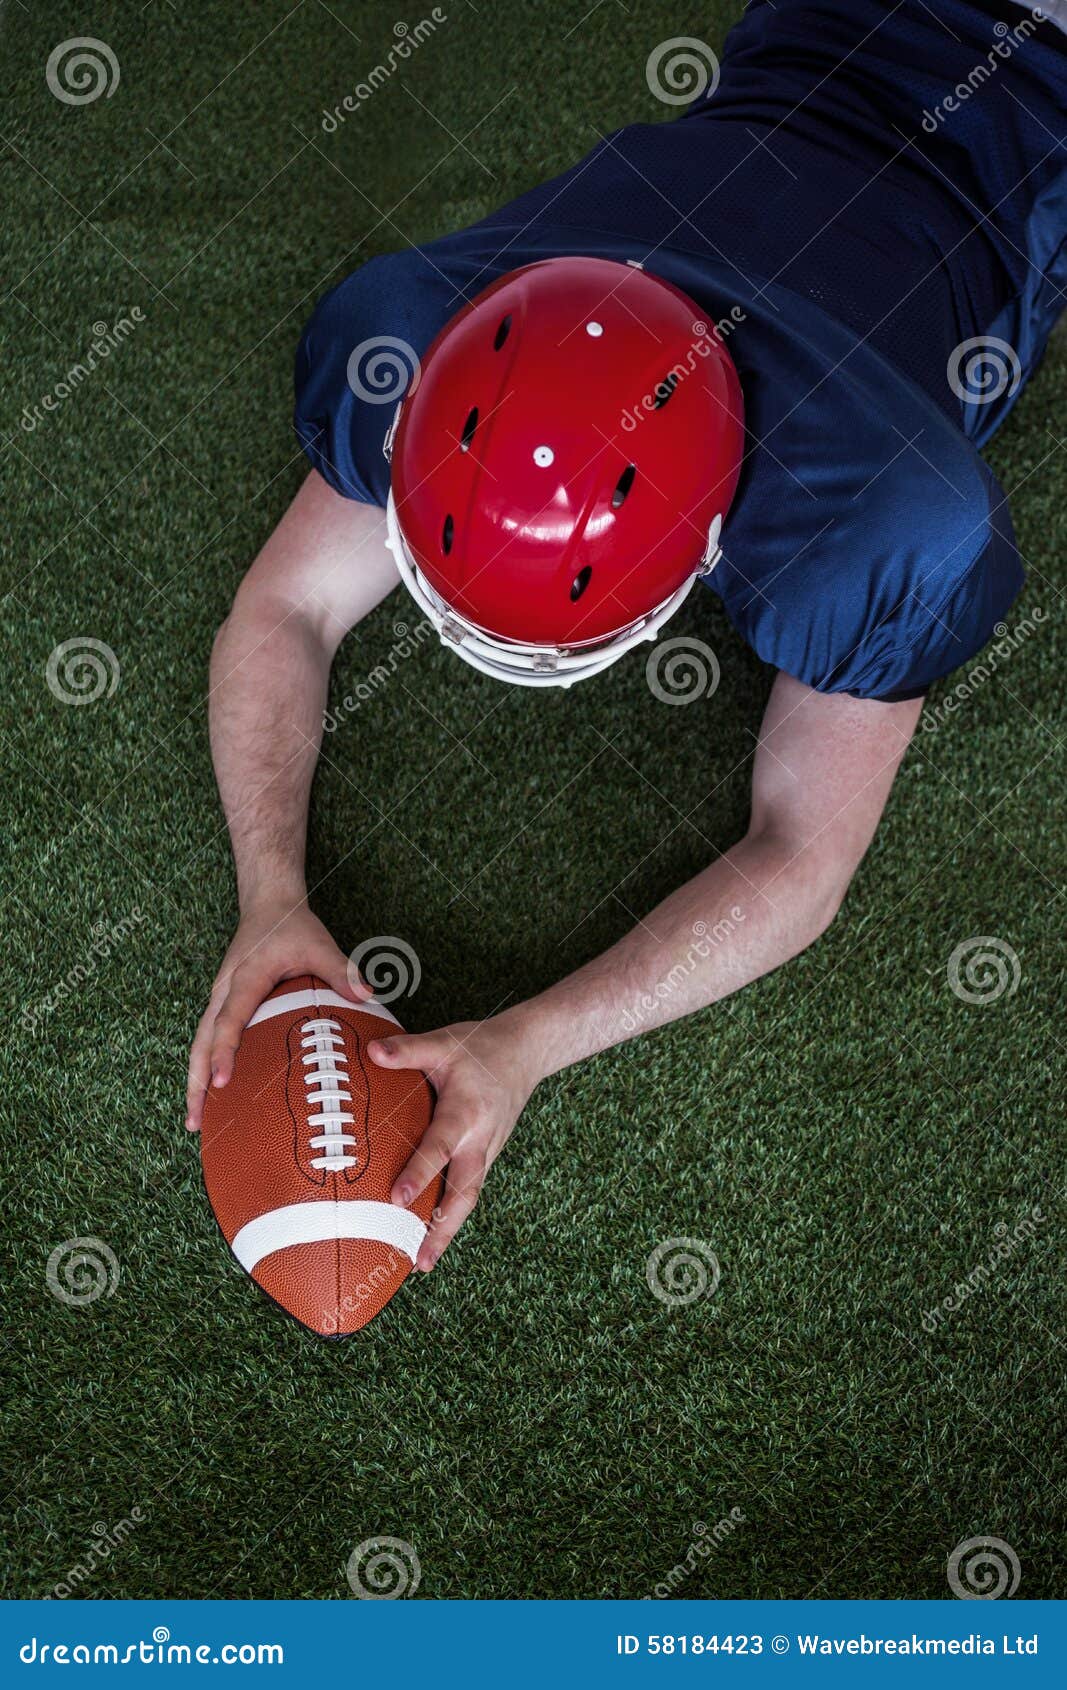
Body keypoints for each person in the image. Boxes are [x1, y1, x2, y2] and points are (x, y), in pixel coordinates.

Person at [187, 0, 1066, 1273]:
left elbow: (801, 860)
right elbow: (284, 610)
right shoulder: (424, 343)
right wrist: (270, 897)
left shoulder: (875, 523)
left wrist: (533, 1040)